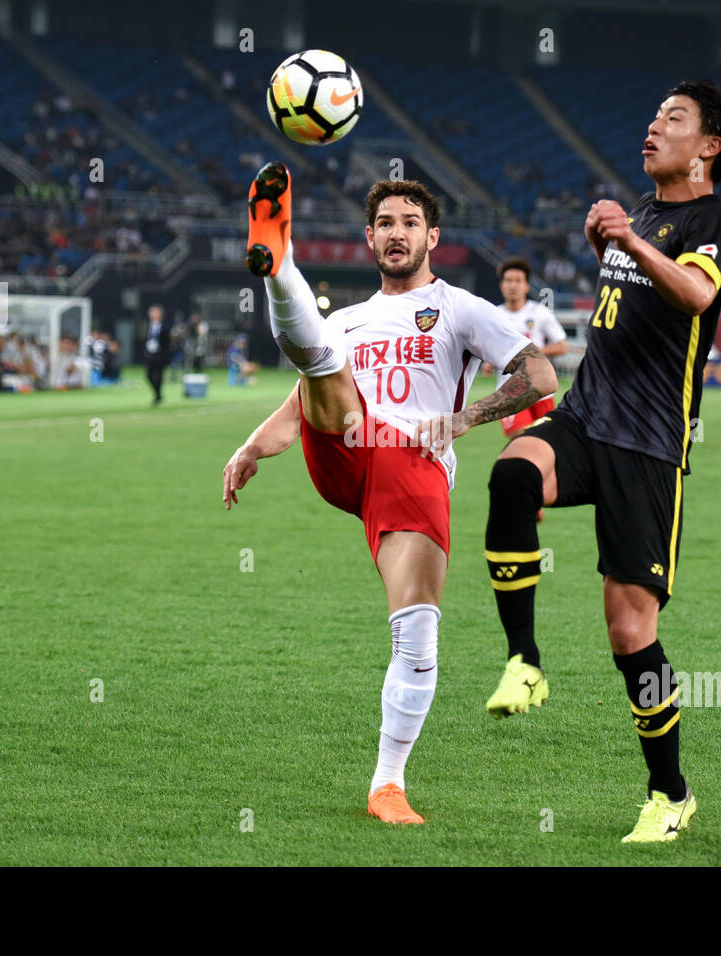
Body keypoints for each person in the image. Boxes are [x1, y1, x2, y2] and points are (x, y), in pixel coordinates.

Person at [222, 165, 555, 826]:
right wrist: (251, 448)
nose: (396, 234)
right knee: (323, 361)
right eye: (384, 225)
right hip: (346, 448)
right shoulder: (348, 320)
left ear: (432, 235)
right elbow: (305, 403)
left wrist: (464, 418)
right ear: (369, 239)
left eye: (409, 223)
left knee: (418, 633)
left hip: (415, 464)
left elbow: (539, 374)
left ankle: (387, 787)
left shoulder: (461, 308)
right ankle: (278, 262)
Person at [481, 79, 721, 843]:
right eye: (654, 113)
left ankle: (671, 793)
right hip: (586, 417)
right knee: (512, 475)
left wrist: (626, 241)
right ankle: (525, 661)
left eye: (674, 118)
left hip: (650, 445)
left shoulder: (710, 219)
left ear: (708, 146)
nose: (653, 125)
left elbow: (695, 296)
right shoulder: (648, 213)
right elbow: (631, 301)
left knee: (631, 634)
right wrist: (614, 242)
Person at [494, 257, 568, 439]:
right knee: (520, 438)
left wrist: (531, 352)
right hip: (509, 391)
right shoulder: (493, 315)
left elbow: (561, 345)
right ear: (502, 285)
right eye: (508, 281)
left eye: (518, 281)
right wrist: (489, 361)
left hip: (540, 390)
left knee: (546, 442)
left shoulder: (540, 313)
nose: (513, 286)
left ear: (527, 286)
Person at [143, 305, 171, 405]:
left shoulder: (165, 326)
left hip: (160, 355)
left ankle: (158, 396)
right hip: (150, 355)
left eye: (154, 313)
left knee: (159, 375)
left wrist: (165, 355)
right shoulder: (148, 326)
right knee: (148, 376)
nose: (152, 315)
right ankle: (157, 393)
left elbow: (167, 343)